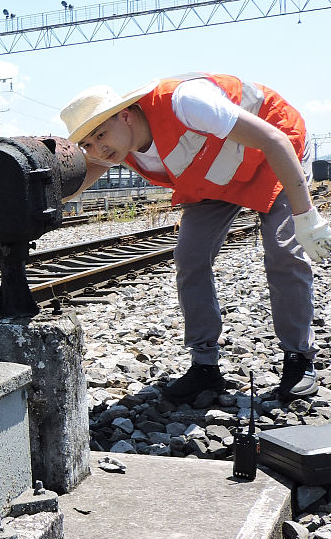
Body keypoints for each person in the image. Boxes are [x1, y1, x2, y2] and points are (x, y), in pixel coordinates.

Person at [60, 74, 331, 402]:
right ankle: (205, 367)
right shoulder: (117, 145)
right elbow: (80, 179)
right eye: (88, 143)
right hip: (213, 177)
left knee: (283, 251)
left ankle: (299, 358)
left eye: (100, 135)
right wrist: (38, 205)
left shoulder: (186, 103)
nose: (98, 149)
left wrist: (307, 217)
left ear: (125, 115)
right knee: (190, 257)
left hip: (270, 153)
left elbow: (274, 140)